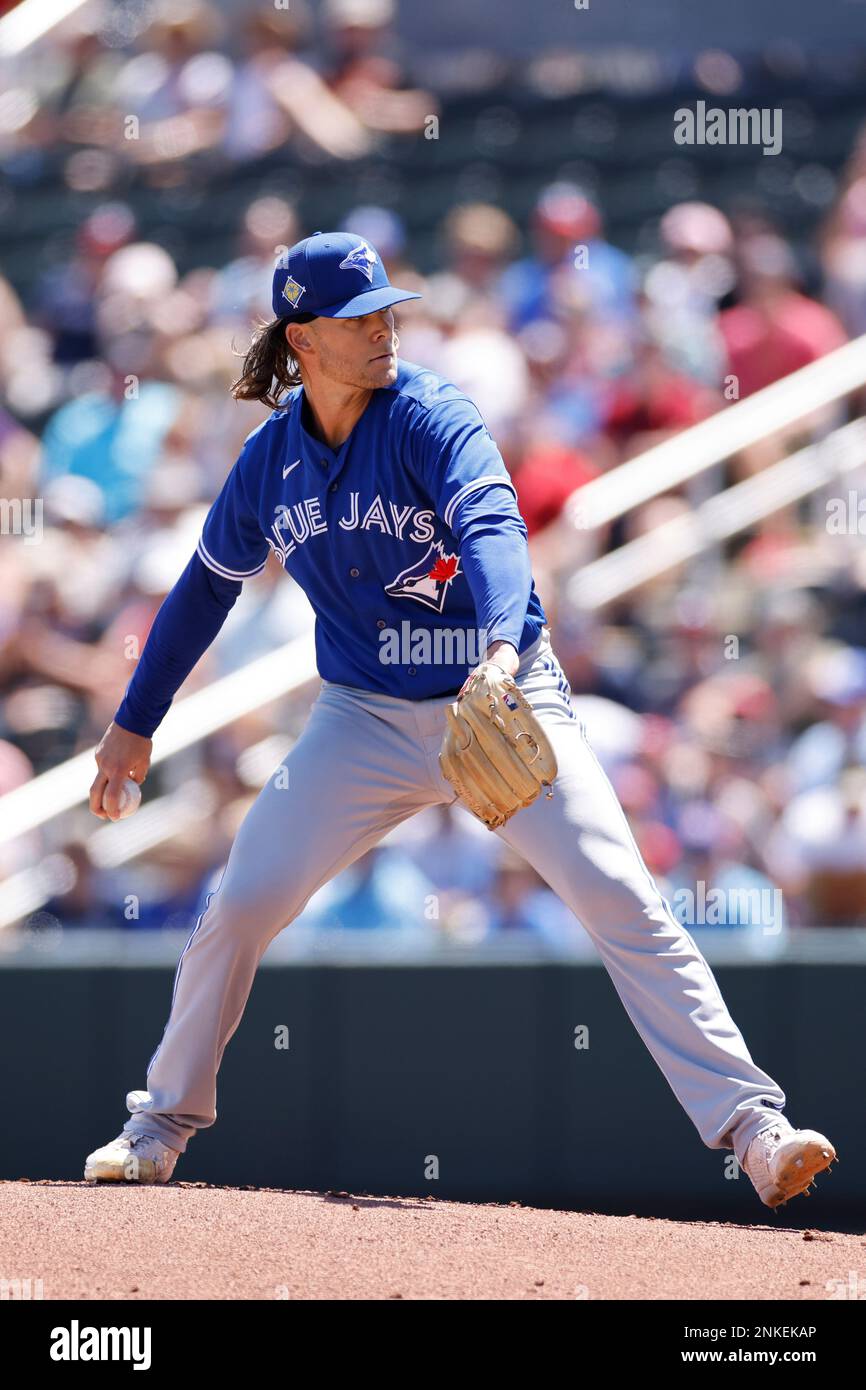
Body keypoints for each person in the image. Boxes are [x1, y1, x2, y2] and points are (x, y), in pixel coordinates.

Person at [83, 232, 837, 1209]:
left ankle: (752, 1128)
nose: (385, 330)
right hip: (360, 718)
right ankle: (159, 1125)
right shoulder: (270, 463)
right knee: (241, 899)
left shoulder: (433, 416)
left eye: (389, 311)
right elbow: (201, 590)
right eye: (361, 319)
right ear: (303, 340)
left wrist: (492, 648)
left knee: (619, 894)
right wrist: (136, 720)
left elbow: (491, 527)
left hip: (499, 689)